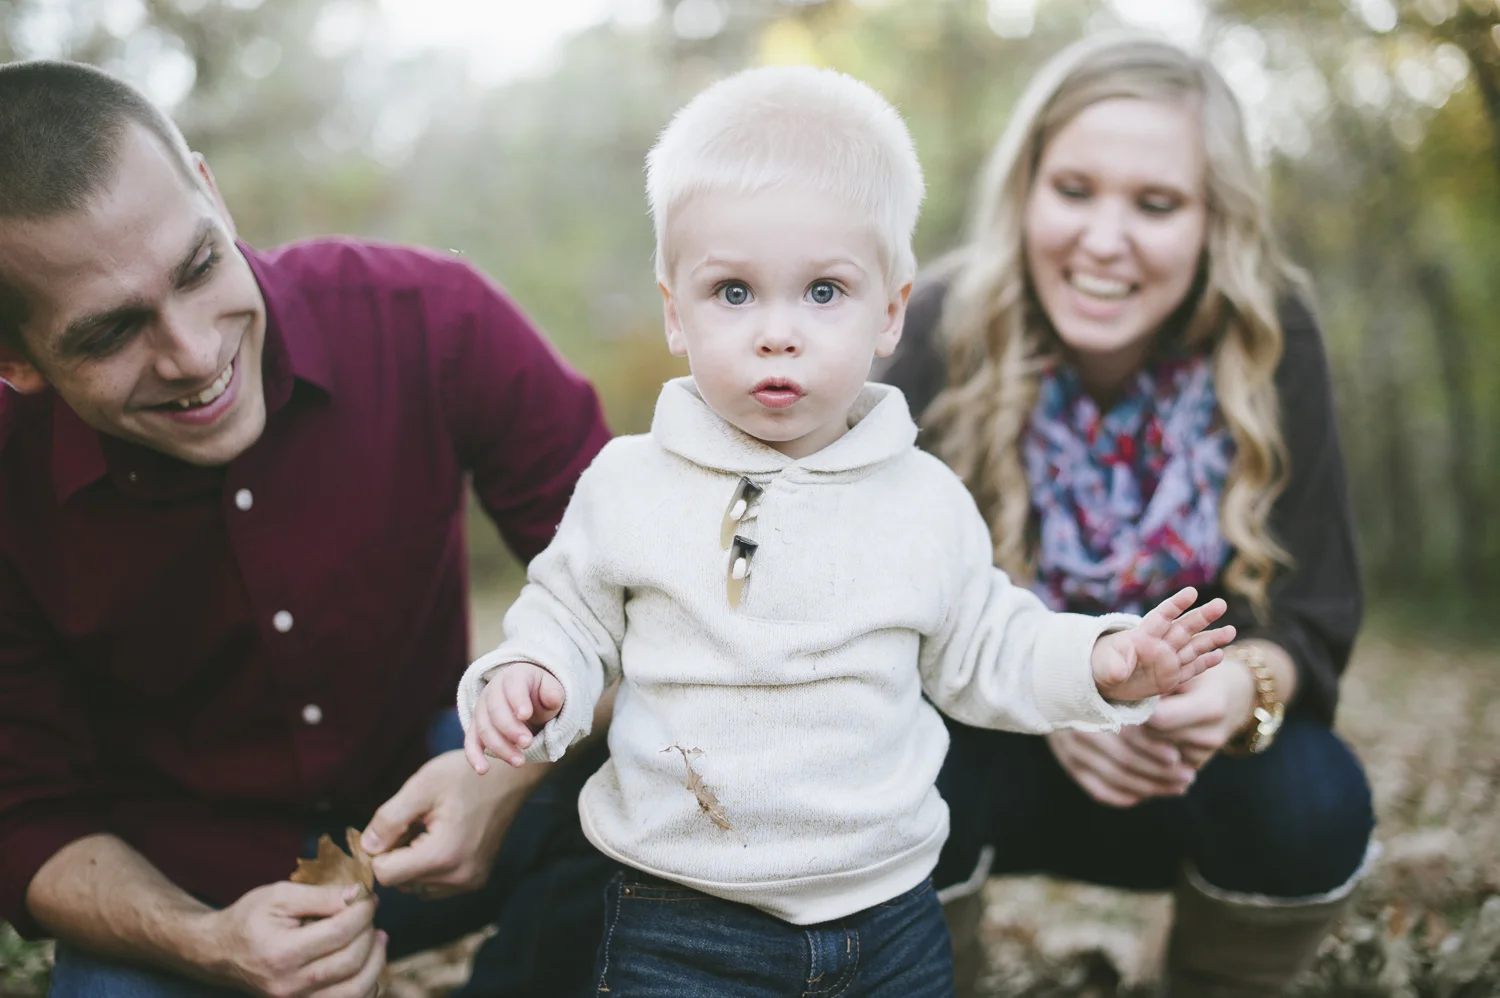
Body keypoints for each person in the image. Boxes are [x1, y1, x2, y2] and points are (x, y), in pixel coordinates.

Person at [458, 65, 1239, 998]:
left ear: (891, 313)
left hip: (890, 917)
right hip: (680, 916)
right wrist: (530, 675)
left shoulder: (922, 499)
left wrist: (1104, 662)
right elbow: (570, 617)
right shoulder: (630, 485)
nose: (778, 332)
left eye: (824, 292)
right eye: (734, 293)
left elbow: (989, 644)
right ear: (674, 310)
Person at [0, 60, 619, 998]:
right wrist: (205, 943)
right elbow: (24, 813)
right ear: (16, 360)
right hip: (186, 893)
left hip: (443, 784)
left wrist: (507, 775)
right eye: (110, 334)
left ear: (210, 190)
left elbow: (644, 591)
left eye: (200, 265)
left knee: (675, 822)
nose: (196, 354)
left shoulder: (431, 317)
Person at [876, 34, 1378, 997]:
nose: (1104, 239)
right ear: (1025, 190)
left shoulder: (1275, 337)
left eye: (1155, 205)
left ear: (1212, 220)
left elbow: (1313, 620)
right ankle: (931, 974)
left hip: (1184, 769)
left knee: (1317, 798)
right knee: (886, 759)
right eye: (1073, 190)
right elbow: (867, 604)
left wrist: (1237, 693)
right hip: (986, 754)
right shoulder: (939, 325)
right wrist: (1050, 685)